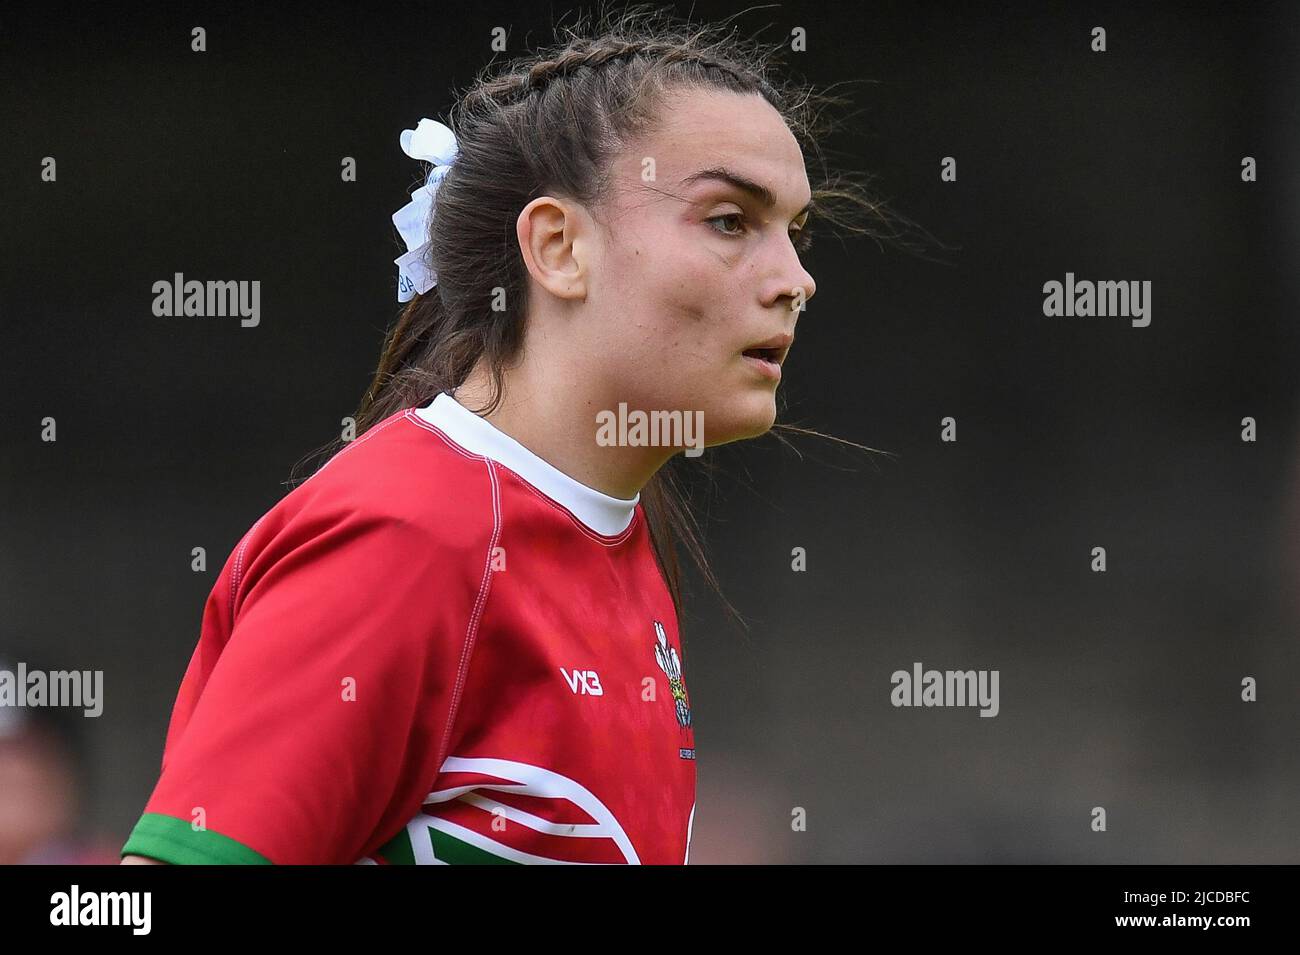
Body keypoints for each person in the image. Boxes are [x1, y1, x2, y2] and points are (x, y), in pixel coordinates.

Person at [122, 5, 907, 865]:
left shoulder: (613, 539)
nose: (798, 280)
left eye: (795, 234)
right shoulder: (410, 535)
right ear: (559, 247)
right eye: (729, 221)